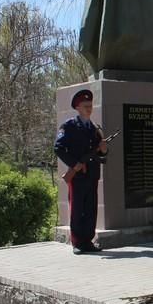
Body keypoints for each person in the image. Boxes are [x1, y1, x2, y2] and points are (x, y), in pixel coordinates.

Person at [54, 89, 108, 254]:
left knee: (91, 209)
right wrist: (75, 164)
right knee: (77, 209)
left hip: (91, 175)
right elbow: (59, 148)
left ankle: (88, 241)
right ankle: (77, 242)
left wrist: (104, 150)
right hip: (77, 176)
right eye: (85, 106)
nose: (89, 108)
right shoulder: (69, 126)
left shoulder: (95, 129)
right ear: (77, 107)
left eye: (90, 105)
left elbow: (102, 156)